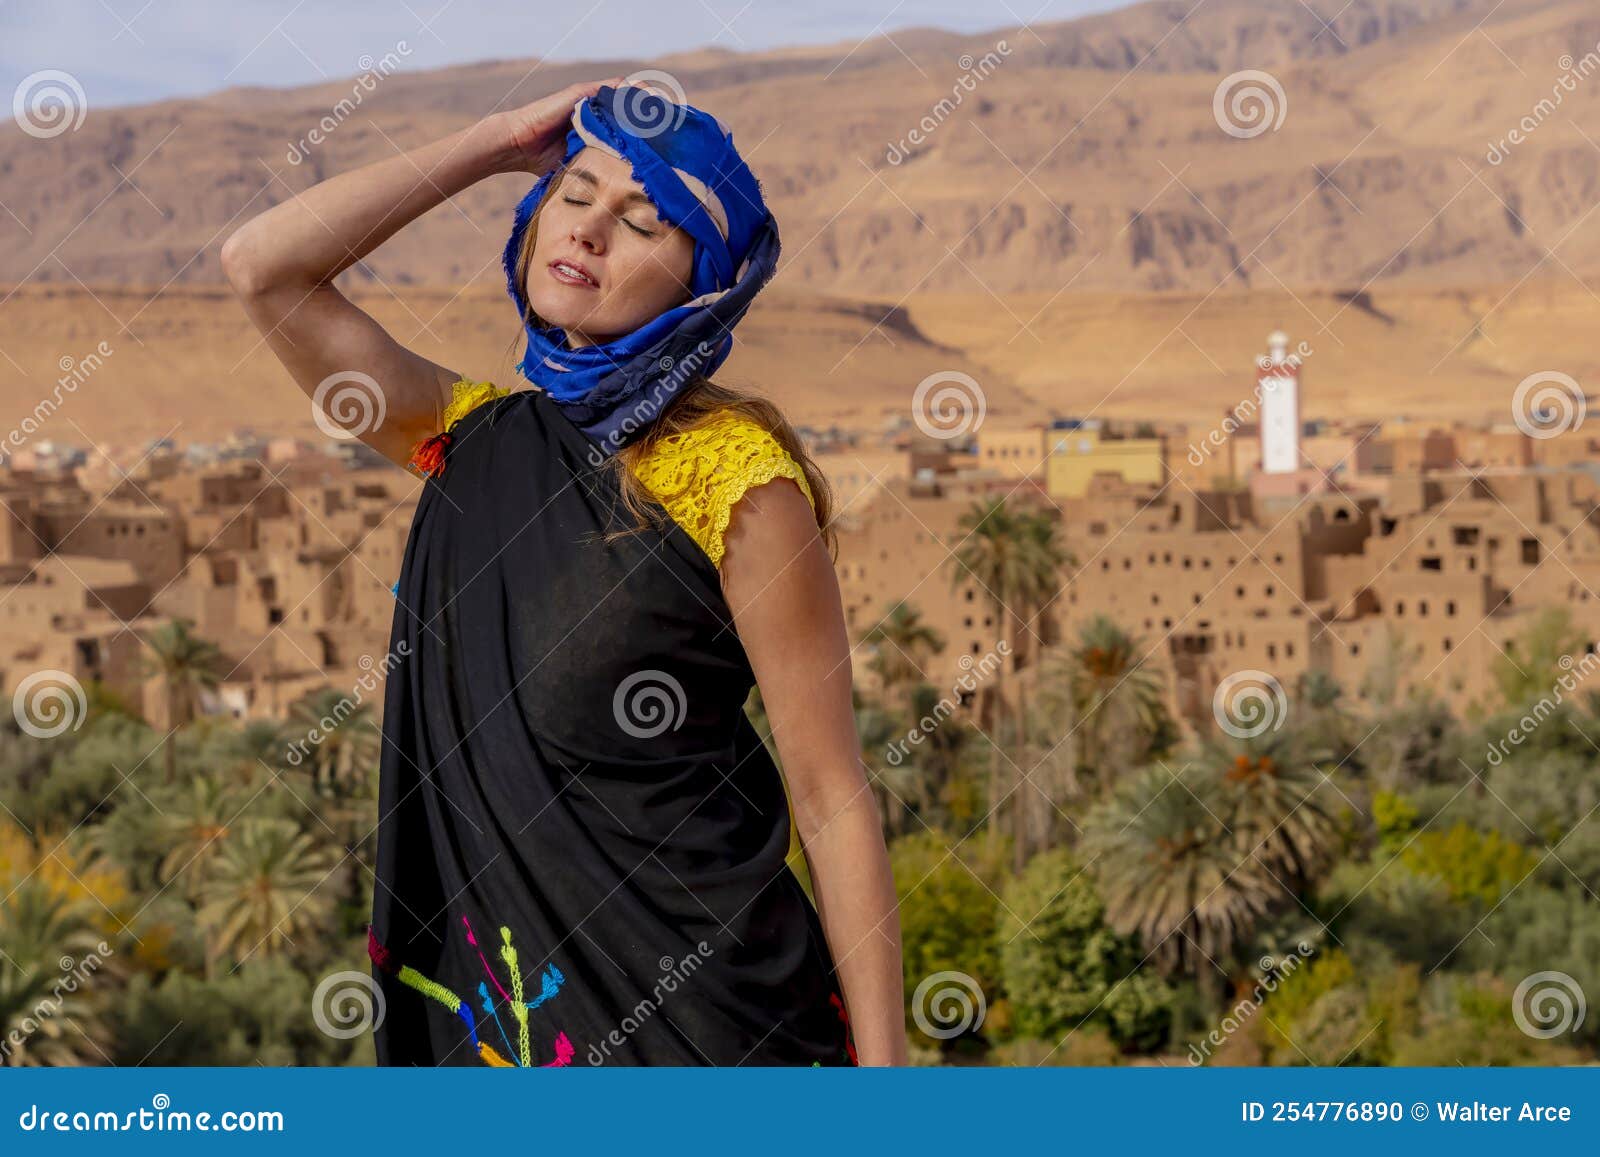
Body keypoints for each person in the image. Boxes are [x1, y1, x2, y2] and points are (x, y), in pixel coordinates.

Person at [221, 78, 907, 1066]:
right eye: (574, 194)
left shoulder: (739, 483)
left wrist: (887, 1089)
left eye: (642, 222)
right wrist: (497, 142)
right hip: (511, 1033)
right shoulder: (466, 438)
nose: (587, 230)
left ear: (701, 284)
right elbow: (261, 267)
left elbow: (831, 793)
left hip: (714, 1031)